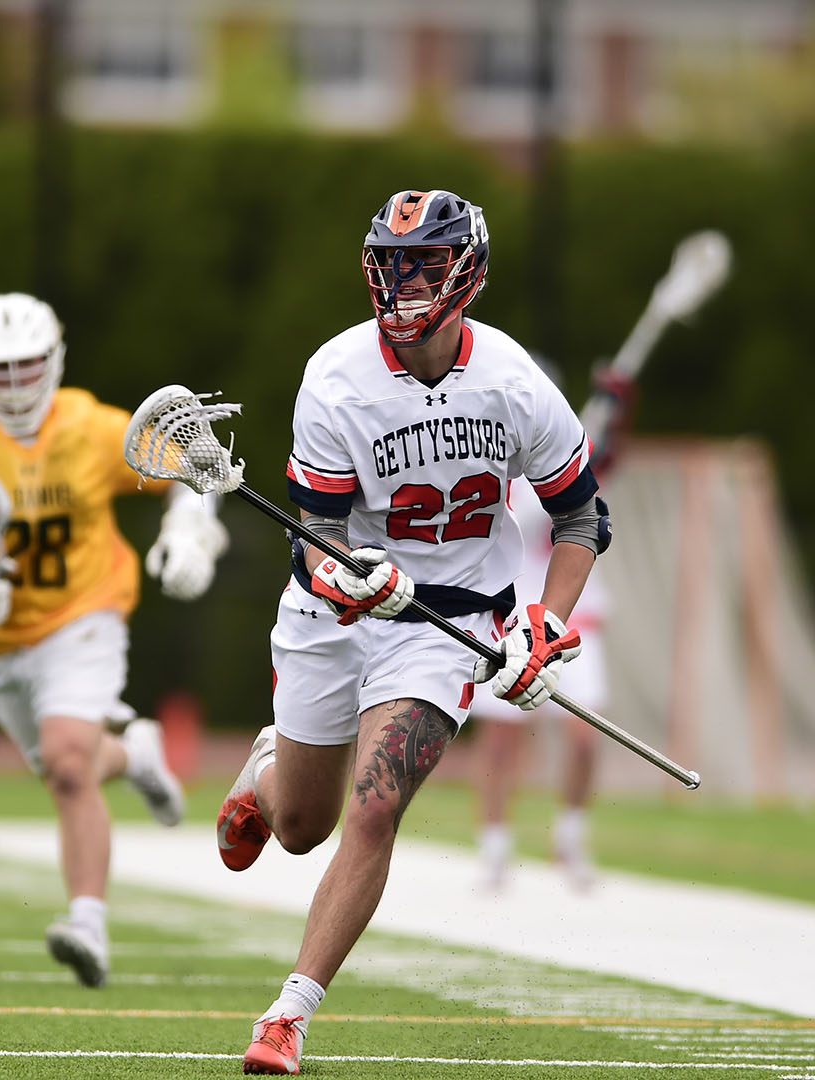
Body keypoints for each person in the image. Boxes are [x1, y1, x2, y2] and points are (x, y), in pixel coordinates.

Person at [214, 189, 611, 1074]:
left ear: (465, 271)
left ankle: (288, 1015)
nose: (404, 282)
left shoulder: (512, 382)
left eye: (424, 264)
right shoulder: (336, 376)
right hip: (336, 613)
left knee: (377, 804)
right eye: (393, 263)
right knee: (302, 828)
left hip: (449, 625)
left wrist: (544, 622)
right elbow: (307, 538)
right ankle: (266, 769)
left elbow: (583, 518)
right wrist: (350, 574)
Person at [0, 292, 228, 989]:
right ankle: (134, 752)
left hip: (83, 614)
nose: (14, 382)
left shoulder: (90, 426)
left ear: (55, 358)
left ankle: (88, 924)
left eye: (26, 364)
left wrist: (190, 534)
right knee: (69, 769)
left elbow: (199, 466)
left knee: (68, 763)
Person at [470, 363, 633, 893]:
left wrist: (614, 411)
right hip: (511, 609)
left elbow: (598, 470)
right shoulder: (484, 461)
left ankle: (570, 836)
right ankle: (494, 845)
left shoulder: (558, 444)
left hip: (568, 611)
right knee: (501, 740)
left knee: (586, 737)